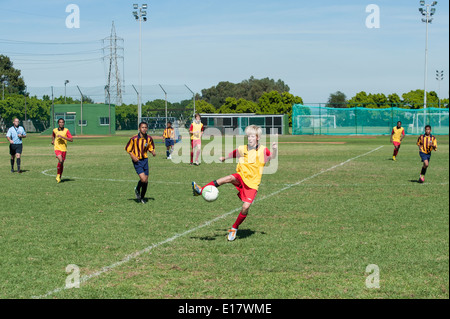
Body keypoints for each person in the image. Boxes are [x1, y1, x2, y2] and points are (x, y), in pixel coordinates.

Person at [192, 125, 278, 241]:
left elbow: (272, 157)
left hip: (252, 184)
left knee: (245, 207)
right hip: (241, 176)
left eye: (252, 136)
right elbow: (234, 154)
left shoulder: (263, 150)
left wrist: (274, 149)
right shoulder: (243, 148)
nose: (250, 138)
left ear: (257, 137)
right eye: (248, 136)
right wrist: (224, 158)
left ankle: (234, 228)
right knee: (228, 178)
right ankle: (200, 190)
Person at [125, 122, 156, 204]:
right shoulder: (134, 138)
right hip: (137, 161)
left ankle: (142, 197)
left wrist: (152, 151)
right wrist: (132, 156)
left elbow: (150, 146)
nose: (144, 129)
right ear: (139, 128)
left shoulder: (149, 138)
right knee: (143, 179)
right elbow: (128, 148)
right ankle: (137, 189)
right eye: (142, 127)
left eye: (145, 127)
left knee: (146, 180)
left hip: (145, 160)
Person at [52, 118, 74, 183]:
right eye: (60, 122)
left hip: (64, 149)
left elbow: (71, 139)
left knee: (61, 163)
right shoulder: (55, 130)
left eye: (62, 122)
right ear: (58, 123)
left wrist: (63, 137)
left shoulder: (66, 130)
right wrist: (53, 141)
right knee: (60, 160)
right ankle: (58, 175)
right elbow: (53, 135)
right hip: (57, 148)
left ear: (64, 123)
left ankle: (59, 176)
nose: (61, 123)